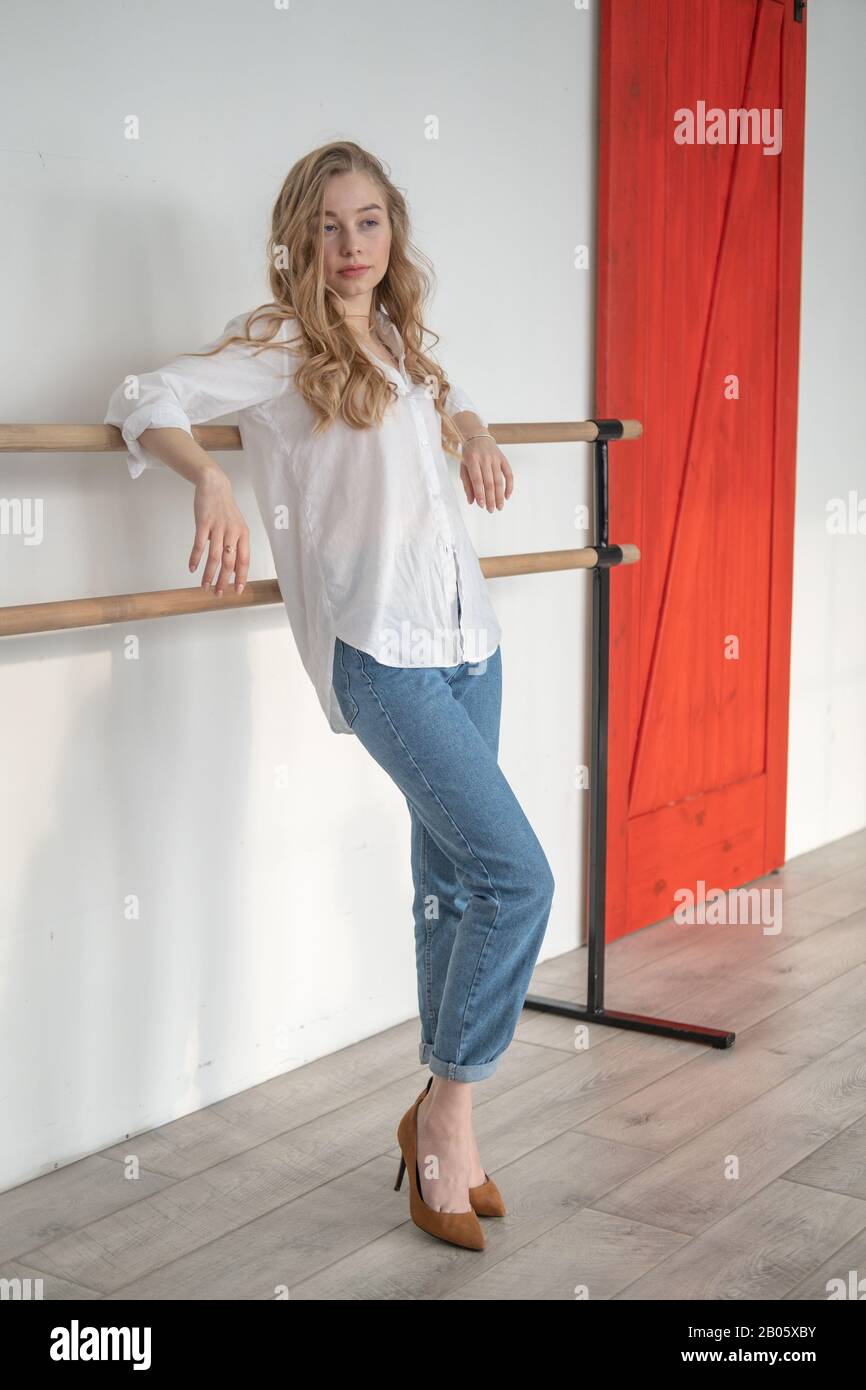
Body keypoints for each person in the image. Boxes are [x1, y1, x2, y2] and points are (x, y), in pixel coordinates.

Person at [104, 140, 555, 1251]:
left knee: (454, 885)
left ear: (391, 230)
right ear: (299, 240)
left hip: (468, 644)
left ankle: (448, 1123)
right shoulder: (279, 348)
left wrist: (475, 427)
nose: (350, 246)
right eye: (327, 226)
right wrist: (208, 474)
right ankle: (441, 1114)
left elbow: (431, 424)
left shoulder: (401, 345)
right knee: (518, 878)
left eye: (366, 223)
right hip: (381, 652)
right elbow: (142, 394)